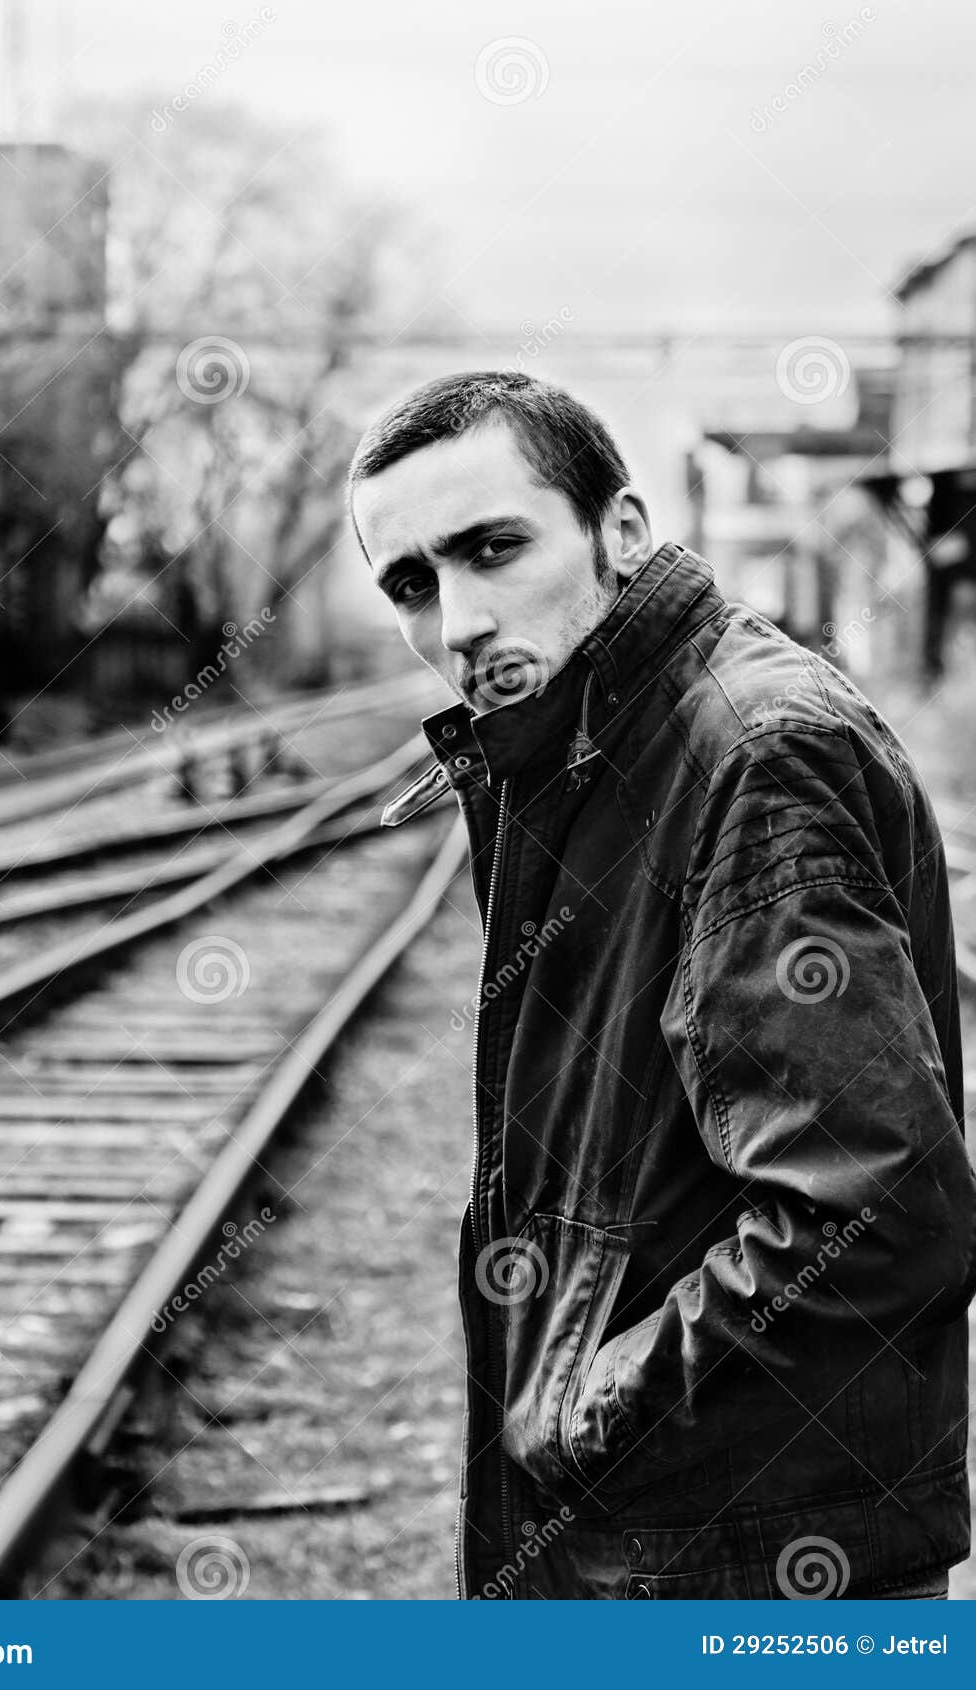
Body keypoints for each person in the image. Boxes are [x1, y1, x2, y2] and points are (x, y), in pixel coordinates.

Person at [349, 369, 976, 1601]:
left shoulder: (752, 756)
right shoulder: (594, 754)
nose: (458, 619)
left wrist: (585, 1409)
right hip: (676, 1543)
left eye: (494, 548)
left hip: (746, 1570)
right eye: (413, 583)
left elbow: (880, 1218)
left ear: (621, 532)